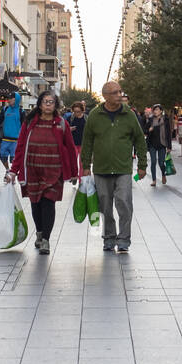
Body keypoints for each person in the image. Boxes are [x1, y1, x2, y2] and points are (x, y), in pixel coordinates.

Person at [9, 90, 79, 255]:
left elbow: (70, 149)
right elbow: (20, 147)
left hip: (54, 171)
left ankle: (46, 239)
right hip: (32, 169)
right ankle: (39, 232)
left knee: (48, 203)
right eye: (45, 101)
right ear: (39, 104)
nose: (48, 104)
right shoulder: (29, 122)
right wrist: (14, 171)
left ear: (56, 105)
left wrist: (74, 172)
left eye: (51, 102)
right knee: (35, 204)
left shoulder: (62, 124)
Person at [80, 81, 146, 253]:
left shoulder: (129, 114)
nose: (120, 95)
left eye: (120, 92)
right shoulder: (95, 115)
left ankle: (124, 239)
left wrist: (142, 164)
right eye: (115, 93)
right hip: (101, 169)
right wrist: (85, 166)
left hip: (123, 168)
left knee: (124, 202)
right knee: (105, 205)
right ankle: (109, 237)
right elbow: (86, 142)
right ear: (106, 96)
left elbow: (139, 139)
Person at [145, 104, 172, 186]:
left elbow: (168, 133)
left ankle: (163, 174)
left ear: (161, 111)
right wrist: (149, 130)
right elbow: (145, 130)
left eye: (157, 110)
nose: (155, 111)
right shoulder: (150, 119)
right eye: (154, 110)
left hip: (162, 144)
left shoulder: (165, 120)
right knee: (153, 162)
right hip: (152, 144)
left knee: (161, 163)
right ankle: (154, 180)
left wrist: (169, 146)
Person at [0, 92, 22, 170]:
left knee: (13, 160)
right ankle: (8, 170)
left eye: (10, 99)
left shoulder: (21, 111)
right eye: (9, 99)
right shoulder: (5, 109)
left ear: (15, 100)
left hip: (16, 141)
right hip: (5, 139)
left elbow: (25, 126)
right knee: (2, 157)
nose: (8, 100)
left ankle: (12, 173)